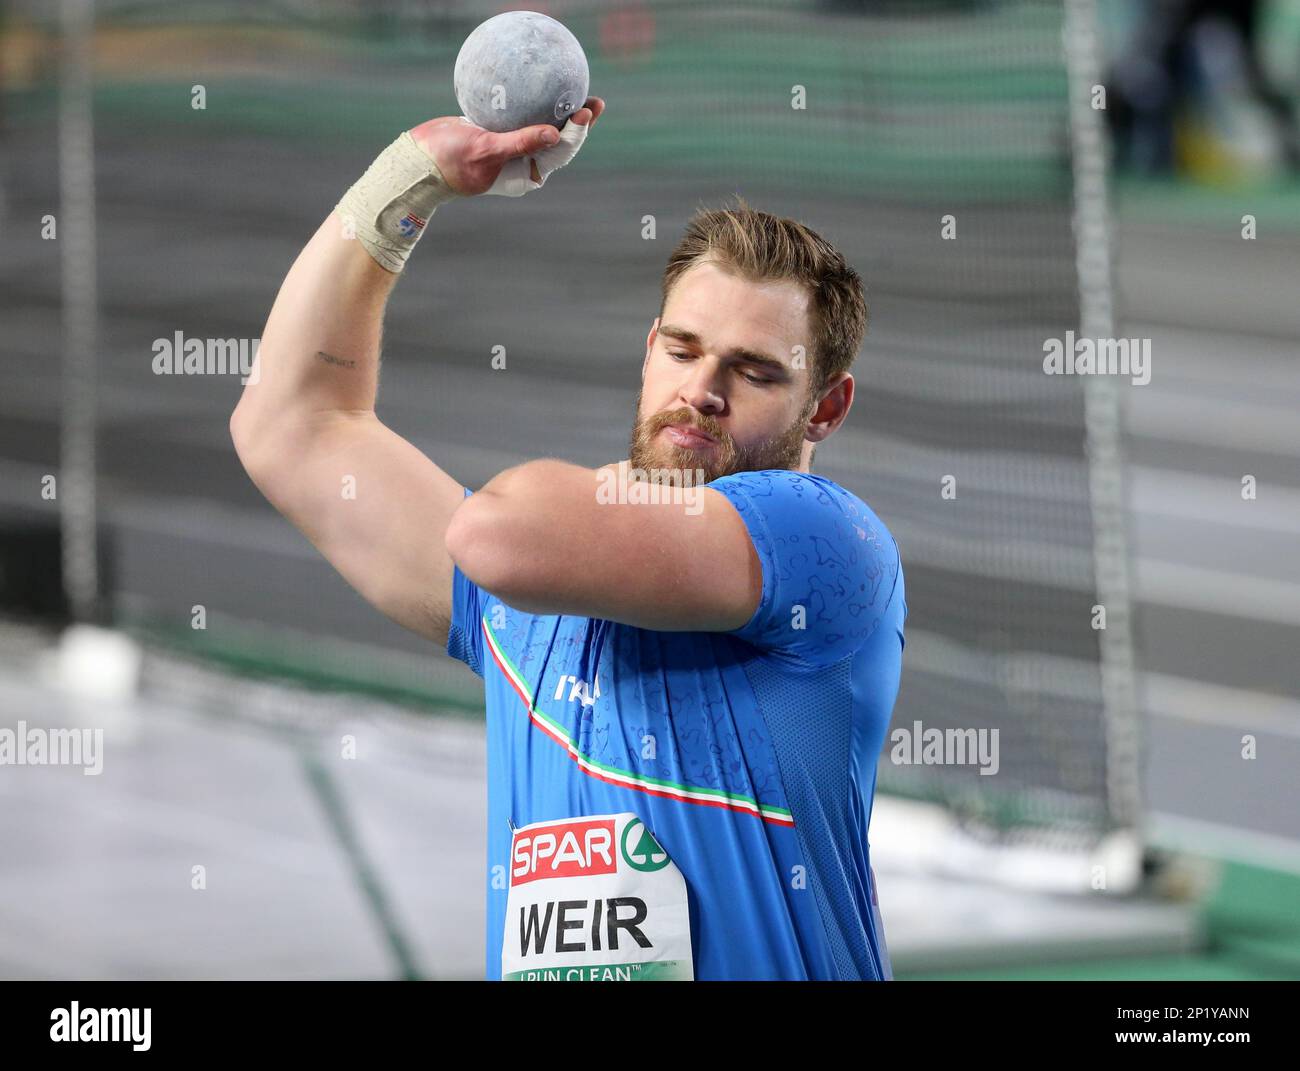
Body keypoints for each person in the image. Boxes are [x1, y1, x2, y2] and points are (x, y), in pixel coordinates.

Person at [230, 96, 906, 981]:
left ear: (827, 406)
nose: (702, 389)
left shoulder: (824, 542)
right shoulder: (522, 609)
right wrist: (412, 178)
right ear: (647, 349)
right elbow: (291, 426)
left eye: (752, 371)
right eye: (683, 348)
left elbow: (500, 536)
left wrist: (576, 509)